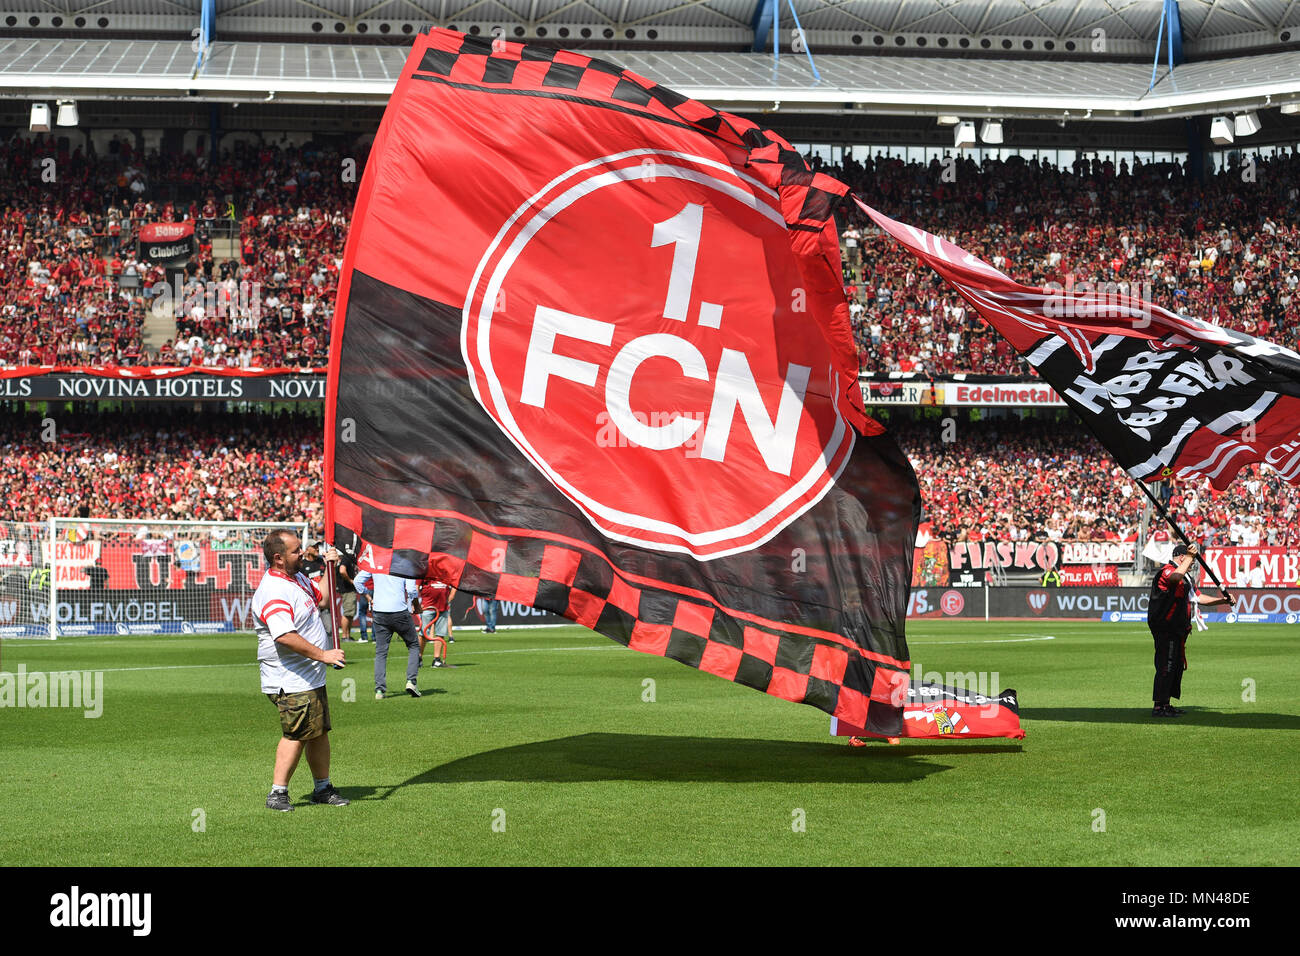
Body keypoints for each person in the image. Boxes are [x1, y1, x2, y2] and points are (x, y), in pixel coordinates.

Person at [252, 529, 349, 811]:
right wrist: (324, 655)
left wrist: (330, 568)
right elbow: (284, 636)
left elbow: (321, 599)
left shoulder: (297, 578)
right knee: (297, 734)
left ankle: (322, 787)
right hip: (289, 678)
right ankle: (277, 793)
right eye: (296, 550)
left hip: (308, 676)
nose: (303, 553)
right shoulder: (274, 589)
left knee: (317, 731)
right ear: (279, 558)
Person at [1147, 543, 1233, 718]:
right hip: (1166, 626)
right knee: (1166, 665)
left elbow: (1198, 597)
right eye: (1190, 561)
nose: (1192, 565)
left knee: (1176, 666)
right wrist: (1189, 557)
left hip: (1178, 628)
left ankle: (1166, 703)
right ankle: (1159, 705)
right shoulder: (1167, 571)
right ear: (1181, 557)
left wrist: (1222, 601)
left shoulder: (1186, 578)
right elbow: (1173, 579)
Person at [354, 568, 422, 698]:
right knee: (413, 645)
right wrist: (416, 604)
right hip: (399, 610)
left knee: (381, 652)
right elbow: (412, 589)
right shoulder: (405, 562)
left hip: (380, 611)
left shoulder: (376, 561)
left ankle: (379, 690)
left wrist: (368, 597)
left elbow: (357, 581)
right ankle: (411, 681)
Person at [417, 573, 456, 667]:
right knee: (423, 634)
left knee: (441, 634)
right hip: (427, 606)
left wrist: (450, 598)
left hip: (443, 607)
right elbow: (416, 586)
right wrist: (417, 602)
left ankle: (436, 660)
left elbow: (454, 585)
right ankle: (418, 658)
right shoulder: (425, 570)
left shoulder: (447, 571)